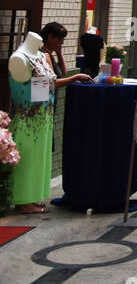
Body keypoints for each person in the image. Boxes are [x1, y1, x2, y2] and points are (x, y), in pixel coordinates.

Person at [8, 29, 92, 214]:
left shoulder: (40, 55)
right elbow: (38, 86)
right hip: (27, 119)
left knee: (39, 159)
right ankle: (22, 200)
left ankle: (32, 197)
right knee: (27, 159)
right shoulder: (19, 58)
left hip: (43, 116)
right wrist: (74, 78)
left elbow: (48, 83)